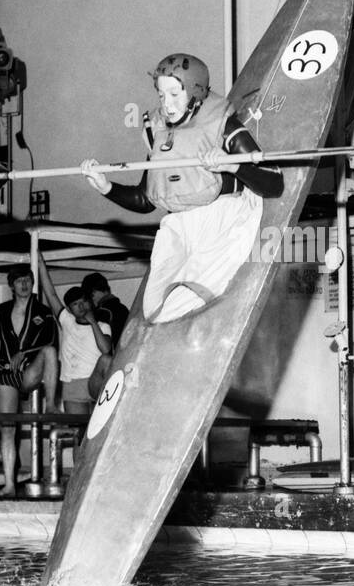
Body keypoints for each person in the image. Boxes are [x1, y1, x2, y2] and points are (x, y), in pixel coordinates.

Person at [80, 53, 282, 323]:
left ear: (196, 93)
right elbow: (147, 199)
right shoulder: (159, 133)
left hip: (220, 221)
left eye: (175, 94)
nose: (167, 104)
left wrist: (233, 166)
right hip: (179, 225)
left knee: (191, 302)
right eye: (162, 95)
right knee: (155, 311)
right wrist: (106, 187)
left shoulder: (223, 126)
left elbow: (273, 183)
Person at [0, 265, 59, 497]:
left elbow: (51, 340)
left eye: (28, 280)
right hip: (6, 374)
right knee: (7, 429)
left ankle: (50, 406)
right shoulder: (2, 310)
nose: (24, 284)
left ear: (32, 282)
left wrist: (26, 352)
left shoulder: (43, 311)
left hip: (29, 371)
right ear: (11, 286)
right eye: (19, 281)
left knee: (49, 352)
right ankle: (9, 484)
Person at [52, 283, 113, 413]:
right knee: (77, 430)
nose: (81, 306)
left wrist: (93, 323)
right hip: (73, 384)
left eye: (84, 301)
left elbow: (106, 349)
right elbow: (51, 294)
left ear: (89, 302)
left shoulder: (103, 326)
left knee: (106, 359)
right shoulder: (67, 321)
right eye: (75, 304)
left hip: (95, 382)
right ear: (69, 309)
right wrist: (40, 263)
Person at [80, 270, 129, 344]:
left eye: (91, 296)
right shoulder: (123, 308)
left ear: (94, 292)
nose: (92, 300)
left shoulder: (103, 312)